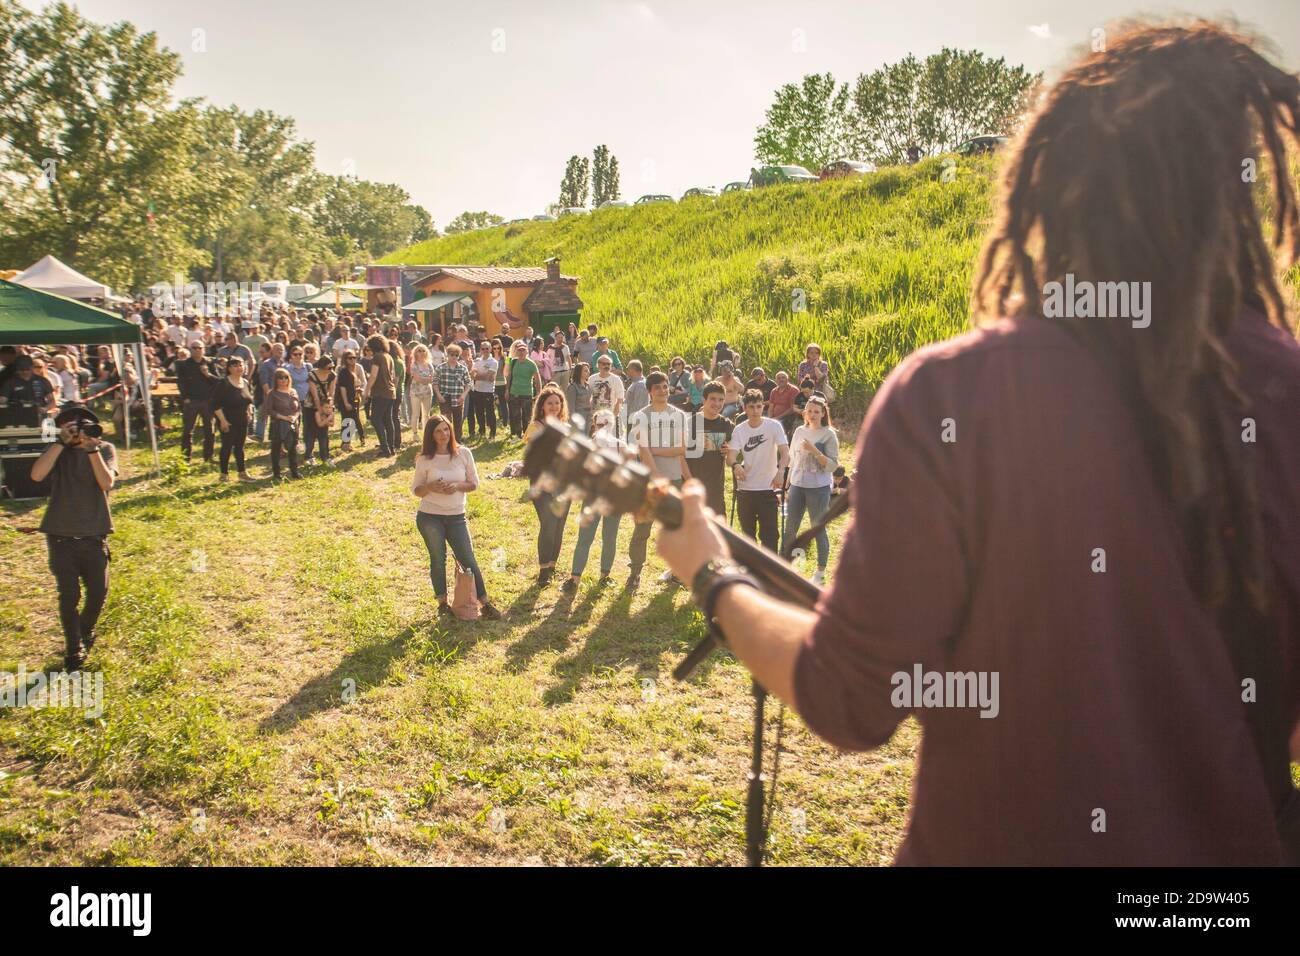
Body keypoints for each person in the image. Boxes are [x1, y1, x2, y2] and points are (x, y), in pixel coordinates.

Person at [657, 21, 1300, 866]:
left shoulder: (949, 399)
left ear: (1050, 192)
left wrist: (710, 572)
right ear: (1234, 193)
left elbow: (852, 699)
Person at [30, 407, 117, 671]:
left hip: (94, 532)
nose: (78, 430)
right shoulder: (58, 451)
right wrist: (60, 442)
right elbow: (36, 475)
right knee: (69, 595)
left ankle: (83, 630)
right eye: (72, 425)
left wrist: (91, 449)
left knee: (98, 592)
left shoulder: (104, 449)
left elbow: (106, 483)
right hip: (60, 535)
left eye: (84, 425)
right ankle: (73, 648)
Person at [411, 414, 502, 620]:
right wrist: (430, 487)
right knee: (438, 559)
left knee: (468, 558)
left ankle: (484, 603)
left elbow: (474, 484)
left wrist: (457, 486)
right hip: (430, 516)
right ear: (431, 435)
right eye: (438, 431)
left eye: (446, 429)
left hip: (456, 516)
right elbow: (416, 490)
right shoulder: (424, 459)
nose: (443, 434)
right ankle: (442, 604)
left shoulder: (464, 454)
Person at [626, 370, 691, 588]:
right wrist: (656, 476)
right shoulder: (641, 416)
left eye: (665, 386)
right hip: (650, 481)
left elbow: (681, 449)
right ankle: (635, 571)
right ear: (649, 392)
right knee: (642, 527)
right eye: (658, 388)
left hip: (674, 479)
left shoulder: (679, 415)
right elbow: (643, 451)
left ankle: (676, 571)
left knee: (675, 529)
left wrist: (656, 449)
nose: (663, 391)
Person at [562, 408, 626, 592]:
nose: (603, 427)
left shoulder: (621, 446)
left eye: (606, 423)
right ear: (594, 425)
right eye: (599, 424)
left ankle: (605, 575)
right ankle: (574, 578)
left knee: (610, 537)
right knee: (585, 537)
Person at [781, 394, 838, 583]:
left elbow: (832, 466)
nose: (812, 414)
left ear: (823, 413)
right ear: (804, 412)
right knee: (790, 528)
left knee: (817, 529)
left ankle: (820, 574)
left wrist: (814, 450)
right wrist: (788, 486)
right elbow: (792, 460)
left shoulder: (828, 434)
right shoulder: (798, 431)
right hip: (797, 485)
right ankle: (785, 568)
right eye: (809, 411)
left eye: (816, 411)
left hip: (818, 488)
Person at [727, 388, 788, 552]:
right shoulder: (739, 429)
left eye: (759, 406)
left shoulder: (774, 426)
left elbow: (785, 452)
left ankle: (769, 572)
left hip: (768, 488)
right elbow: (731, 457)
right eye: (751, 407)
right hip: (745, 489)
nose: (755, 411)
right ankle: (752, 570)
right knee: (748, 536)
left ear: (763, 407)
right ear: (745, 408)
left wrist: (781, 472)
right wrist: (736, 465)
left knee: (770, 535)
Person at [525, 386, 571, 585]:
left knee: (559, 526)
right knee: (548, 523)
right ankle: (543, 571)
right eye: (549, 403)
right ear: (542, 406)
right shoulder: (535, 426)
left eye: (557, 402)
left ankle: (552, 565)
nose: (553, 406)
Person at [687, 381, 734, 516]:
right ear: (703, 399)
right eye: (713, 399)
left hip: (716, 487)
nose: (717, 404)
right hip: (693, 485)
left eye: (721, 400)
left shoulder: (727, 425)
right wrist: (689, 480)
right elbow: (680, 456)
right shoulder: (690, 423)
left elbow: (735, 449)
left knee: (718, 529)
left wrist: (729, 449)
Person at [175, 341, 220, 464]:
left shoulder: (209, 363)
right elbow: (181, 382)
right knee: (188, 430)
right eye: (194, 348)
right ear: (190, 349)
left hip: (207, 401)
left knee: (209, 431)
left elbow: (218, 381)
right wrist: (185, 398)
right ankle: (185, 459)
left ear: (203, 349)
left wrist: (207, 374)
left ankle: (208, 457)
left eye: (199, 348)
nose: (197, 350)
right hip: (192, 401)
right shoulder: (185, 365)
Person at [210, 356, 255, 481]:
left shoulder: (245, 382)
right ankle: (223, 474)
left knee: (240, 447)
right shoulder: (223, 383)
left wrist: (249, 411)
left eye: (241, 365)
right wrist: (223, 421)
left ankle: (242, 473)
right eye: (235, 365)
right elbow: (215, 404)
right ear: (229, 368)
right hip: (228, 420)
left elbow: (248, 400)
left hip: (242, 419)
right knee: (227, 447)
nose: (239, 367)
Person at [263, 368, 302, 480]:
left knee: (292, 448)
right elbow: (269, 410)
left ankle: (294, 472)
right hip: (278, 424)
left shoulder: (293, 391)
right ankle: (276, 473)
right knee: (276, 449)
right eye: (281, 377)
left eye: (286, 377)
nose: (284, 380)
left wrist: (294, 417)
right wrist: (283, 417)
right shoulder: (272, 393)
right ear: (276, 379)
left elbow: (298, 408)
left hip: (292, 423)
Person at [364, 334, 398, 457]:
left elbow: (373, 376)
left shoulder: (377, 358)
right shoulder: (388, 356)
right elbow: (392, 376)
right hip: (390, 392)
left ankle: (385, 448)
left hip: (380, 392)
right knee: (388, 420)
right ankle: (391, 447)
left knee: (375, 419)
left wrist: (366, 390)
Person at [432, 342, 471, 442]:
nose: (454, 357)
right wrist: (439, 395)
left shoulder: (463, 368)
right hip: (445, 398)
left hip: (458, 398)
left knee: (458, 421)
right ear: (447, 354)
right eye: (452, 354)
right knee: (446, 421)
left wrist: (463, 395)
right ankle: (447, 441)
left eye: (456, 355)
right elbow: (435, 383)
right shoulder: (440, 368)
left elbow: (468, 383)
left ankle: (457, 441)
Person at [304, 356, 336, 466]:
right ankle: (309, 456)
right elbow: (315, 396)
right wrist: (320, 412)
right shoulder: (312, 375)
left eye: (333, 367)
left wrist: (328, 410)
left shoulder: (332, 375)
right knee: (311, 433)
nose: (332, 369)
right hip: (311, 406)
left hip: (326, 405)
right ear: (322, 367)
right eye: (329, 367)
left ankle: (325, 457)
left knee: (324, 433)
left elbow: (331, 394)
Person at [506, 340, 540, 439]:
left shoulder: (531, 364)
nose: (521, 352)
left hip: (527, 394)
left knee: (527, 416)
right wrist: (507, 390)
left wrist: (538, 392)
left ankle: (526, 435)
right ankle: (517, 435)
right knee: (515, 415)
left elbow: (537, 379)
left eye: (523, 350)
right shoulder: (513, 362)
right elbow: (509, 376)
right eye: (519, 350)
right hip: (514, 393)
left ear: (527, 352)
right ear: (516, 352)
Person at [468, 341, 499, 440]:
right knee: (479, 413)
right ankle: (482, 432)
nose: (485, 350)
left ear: (490, 349)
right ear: (480, 350)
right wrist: (481, 376)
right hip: (477, 390)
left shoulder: (493, 362)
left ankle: (492, 433)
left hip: (488, 391)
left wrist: (478, 375)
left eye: (487, 348)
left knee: (490, 413)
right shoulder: (477, 361)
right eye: (483, 349)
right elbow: (472, 376)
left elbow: (489, 377)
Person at [335, 351, 362, 452]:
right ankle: (345, 443)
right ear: (345, 359)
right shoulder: (343, 371)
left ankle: (348, 442)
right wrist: (346, 402)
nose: (352, 360)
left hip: (353, 399)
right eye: (350, 358)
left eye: (354, 358)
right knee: (347, 421)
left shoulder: (353, 370)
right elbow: (342, 388)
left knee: (352, 422)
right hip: (345, 400)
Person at [408, 344, 436, 439]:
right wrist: (425, 380)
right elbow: (417, 378)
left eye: (423, 350)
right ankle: (415, 434)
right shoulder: (414, 365)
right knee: (415, 413)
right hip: (416, 392)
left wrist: (425, 380)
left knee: (426, 414)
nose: (421, 352)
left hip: (427, 392)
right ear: (415, 353)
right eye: (419, 350)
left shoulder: (429, 365)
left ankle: (426, 433)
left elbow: (432, 378)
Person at [768, 370, 800, 437]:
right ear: (776, 380)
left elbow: (792, 409)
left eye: (783, 377)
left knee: (778, 426)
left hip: (789, 417)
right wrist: (770, 418)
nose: (781, 380)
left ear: (787, 379)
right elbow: (771, 407)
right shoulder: (774, 391)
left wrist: (778, 418)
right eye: (779, 378)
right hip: (775, 417)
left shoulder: (793, 390)